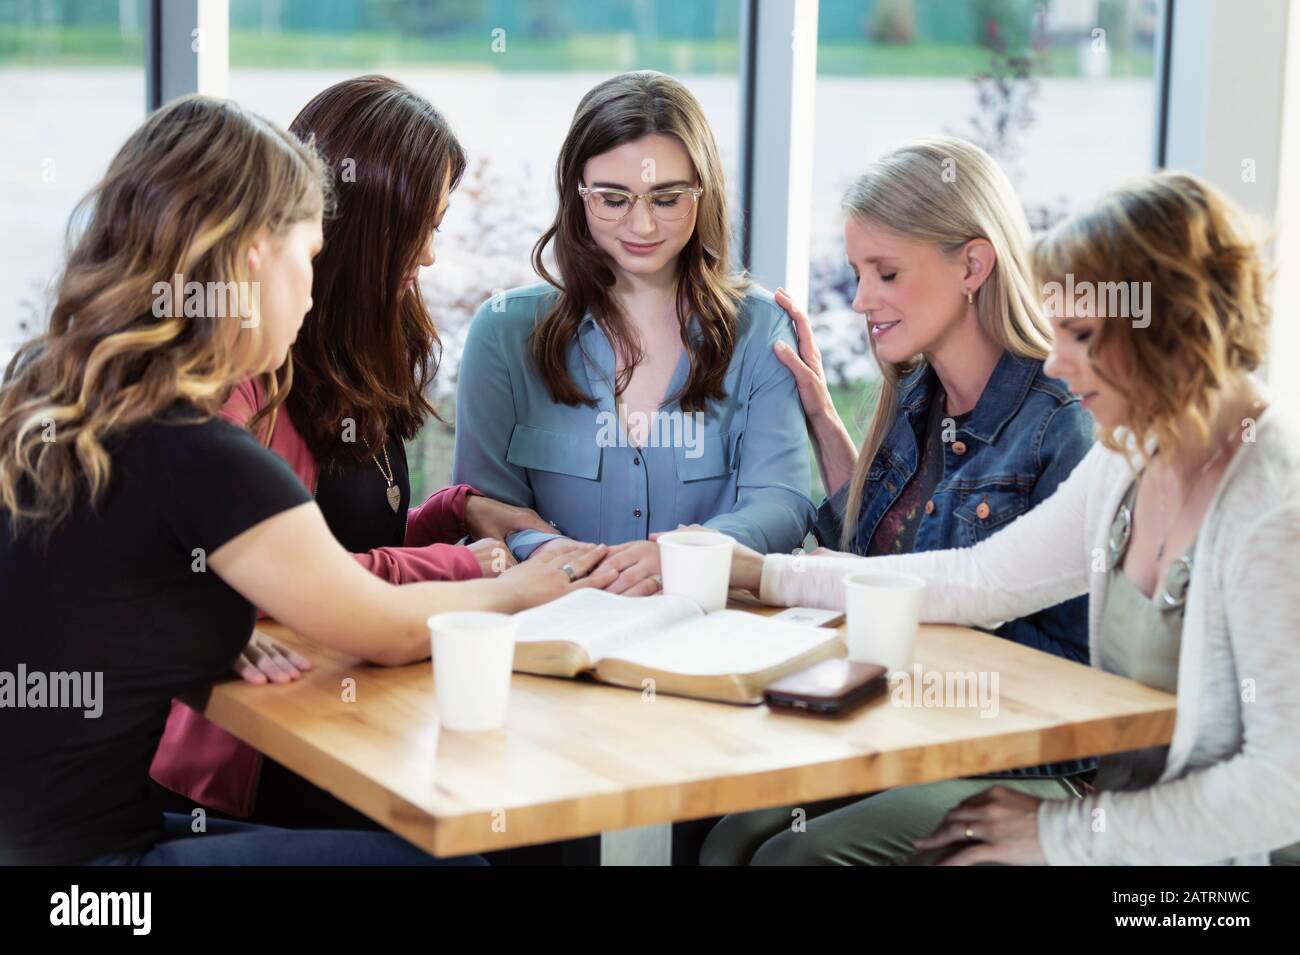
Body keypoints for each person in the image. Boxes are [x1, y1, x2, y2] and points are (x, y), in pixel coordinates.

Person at [0, 95, 615, 865]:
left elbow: (98, 604)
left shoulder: (57, 404)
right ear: (255, 252)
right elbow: (381, 628)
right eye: (312, 255)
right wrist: (525, 583)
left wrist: (201, 637)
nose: (316, 289)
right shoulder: (201, 451)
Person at [718, 171, 1300, 865]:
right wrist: (764, 573)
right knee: (734, 838)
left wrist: (1056, 834)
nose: (1057, 361)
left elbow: (1283, 787)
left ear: (1177, 326)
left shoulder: (1272, 507)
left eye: (1082, 334)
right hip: (1111, 821)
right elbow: (980, 577)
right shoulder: (1132, 460)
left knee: (796, 858)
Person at [702, 137, 1093, 865]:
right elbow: (876, 560)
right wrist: (822, 419)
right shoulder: (917, 396)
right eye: (857, 272)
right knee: (726, 835)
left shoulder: (1061, 421)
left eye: (886, 272)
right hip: (911, 730)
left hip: (1034, 760)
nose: (859, 300)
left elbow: (1072, 651)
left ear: (973, 265)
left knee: (794, 858)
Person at [452, 70, 816, 598]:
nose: (642, 227)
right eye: (613, 199)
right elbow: (482, 510)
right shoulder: (503, 332)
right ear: (577, 195)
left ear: (704, 193)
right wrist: (563, 559)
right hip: (550, 627)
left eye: (667, 199)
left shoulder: (761, 330)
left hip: (711, 630)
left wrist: (683, 559)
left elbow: (782, 503)